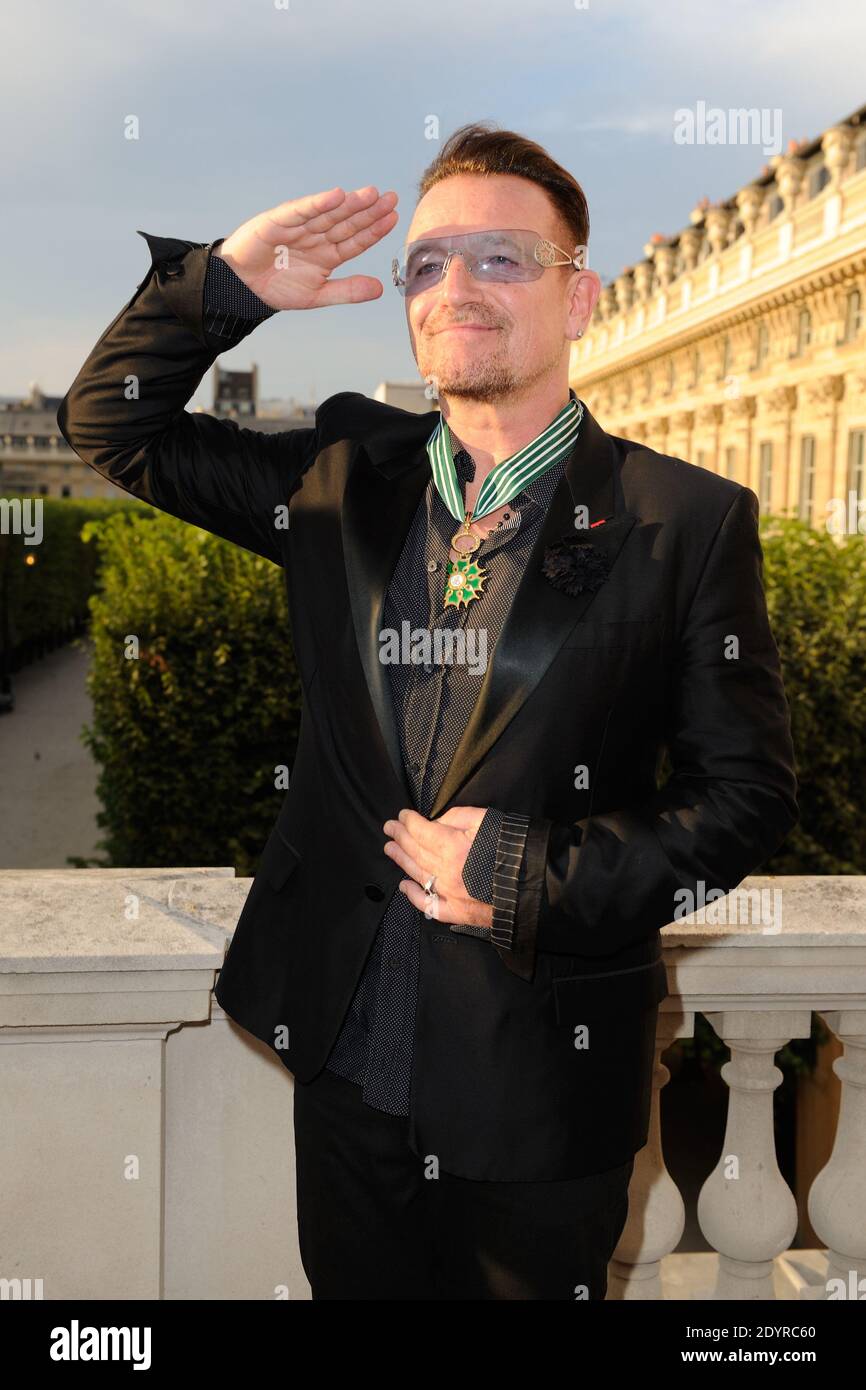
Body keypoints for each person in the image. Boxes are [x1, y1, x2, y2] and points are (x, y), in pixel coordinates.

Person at [57, 122, 798, 1300]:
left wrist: (520, 870)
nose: (454, 285)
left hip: (540, 1086)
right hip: (347, 1064)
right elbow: (110, 425)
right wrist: (221, 290)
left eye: (501, 258)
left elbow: (746, 799)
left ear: (578, 296)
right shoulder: (342, 480)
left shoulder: (684, 520)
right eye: (426, 262)